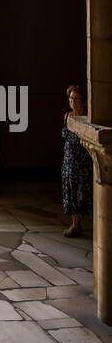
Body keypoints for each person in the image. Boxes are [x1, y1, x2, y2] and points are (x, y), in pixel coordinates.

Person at [61, 85, 93, 238]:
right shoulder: (67, 116)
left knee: (84, 195)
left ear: (84, 101)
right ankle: (75, 225)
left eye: (76, 99)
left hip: (83, 164)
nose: (73, 102)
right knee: (71, 194)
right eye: (71, 99)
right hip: (69, 162)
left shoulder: (87, 119)